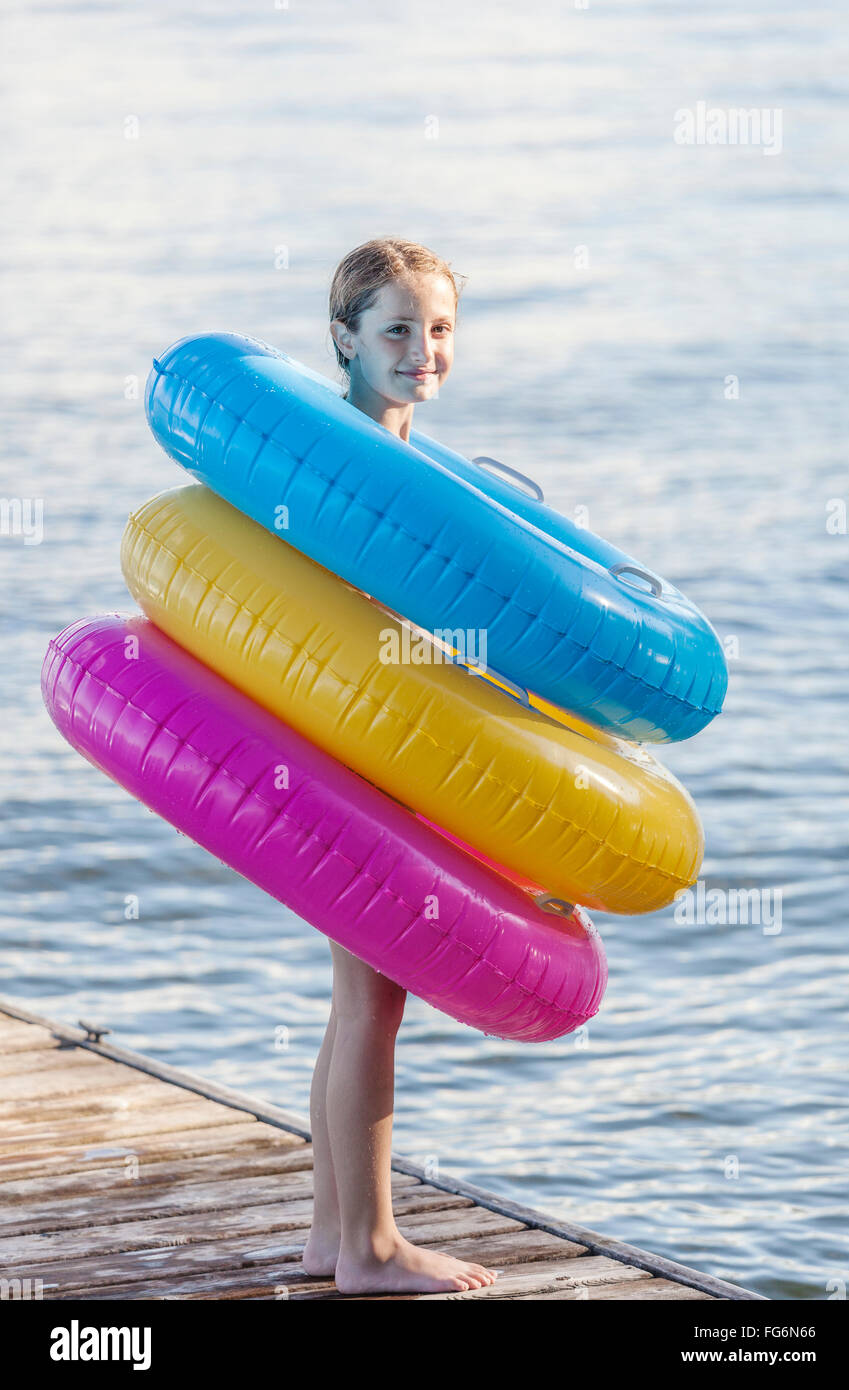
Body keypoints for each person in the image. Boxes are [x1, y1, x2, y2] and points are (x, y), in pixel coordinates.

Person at [300, 237, 499, 1295]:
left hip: (355, 745)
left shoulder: (396, 456)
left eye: (438, 330)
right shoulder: (348, 461)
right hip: (354, 747)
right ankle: (371, 1251)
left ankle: (333, 1234)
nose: (423, 351)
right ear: (343, 338)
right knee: (376, 997)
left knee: (355, 997)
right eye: (396, 330)